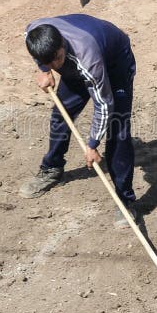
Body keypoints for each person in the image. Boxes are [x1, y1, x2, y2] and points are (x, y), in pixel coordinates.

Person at [19, 14, 138, 227]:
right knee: (60, 114)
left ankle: (124, 200)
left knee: (118, 129)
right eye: (49, 61)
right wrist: (45, 70)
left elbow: (103, 104)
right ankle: (52, 169)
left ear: (62, 43)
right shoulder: (34, 33)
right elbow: (39, 49)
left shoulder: (87, 58)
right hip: (77, 63)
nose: (55, 64)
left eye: (57, 58)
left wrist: (92, 144)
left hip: (115, 62)